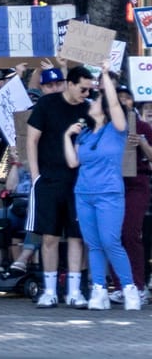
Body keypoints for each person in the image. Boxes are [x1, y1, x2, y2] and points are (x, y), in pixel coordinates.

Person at [63, 61, 141, 310]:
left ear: (104, 108)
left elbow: (115, 103)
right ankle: (98, 290)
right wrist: (67, 136)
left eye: (95, 99)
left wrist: (105, 74)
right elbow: (73, 162)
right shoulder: (85, 134)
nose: (90, 102)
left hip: (109, 193)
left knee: (110, 242)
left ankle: (129, 289)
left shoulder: (116, 129)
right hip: (84, 194)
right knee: (93, 244)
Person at [26, 63, 94, 308]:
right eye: (83, 89)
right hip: (49, 179)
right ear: (71, 84)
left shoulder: (88, 109)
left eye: (90, 90)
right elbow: (32, 140)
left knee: (77, 237)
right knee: (50, 237)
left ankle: (74, 291)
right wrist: (35, 175)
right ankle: (50, 290)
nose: (87, 95)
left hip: (79, 183)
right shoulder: (47, 104)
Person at [115, 86, 152, 300]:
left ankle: (138, 286)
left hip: (137, 184)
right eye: (118, 98)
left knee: (130, 233)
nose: (122, 101)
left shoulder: (142, 127)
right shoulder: (107, 127)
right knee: (113, 236)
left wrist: (143, 143)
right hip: (112, 186)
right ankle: (121, 286)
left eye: (126, 98)